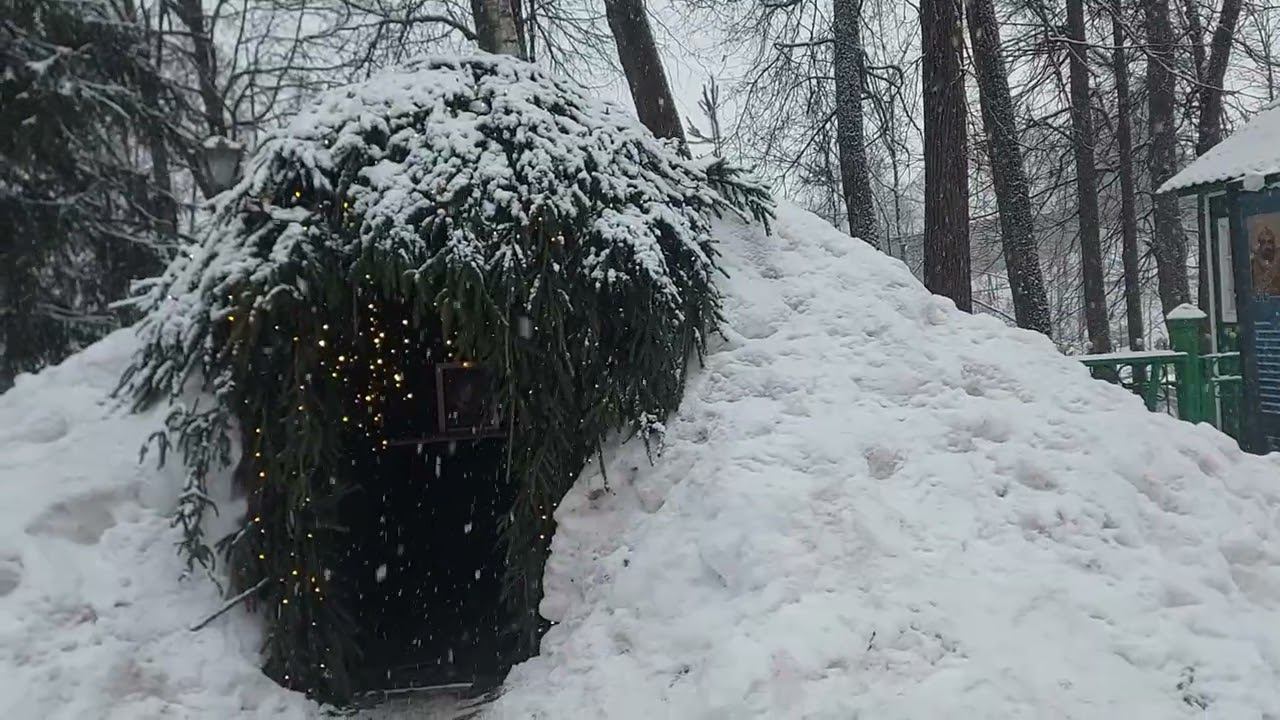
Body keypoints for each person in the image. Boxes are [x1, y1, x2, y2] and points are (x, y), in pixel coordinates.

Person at [1250, 224, 1280, 296]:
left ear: (1274, 244)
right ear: (1259, 245)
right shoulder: (1252, 263)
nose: (1267, 245)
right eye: (1263, 242)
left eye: (1270, 242)